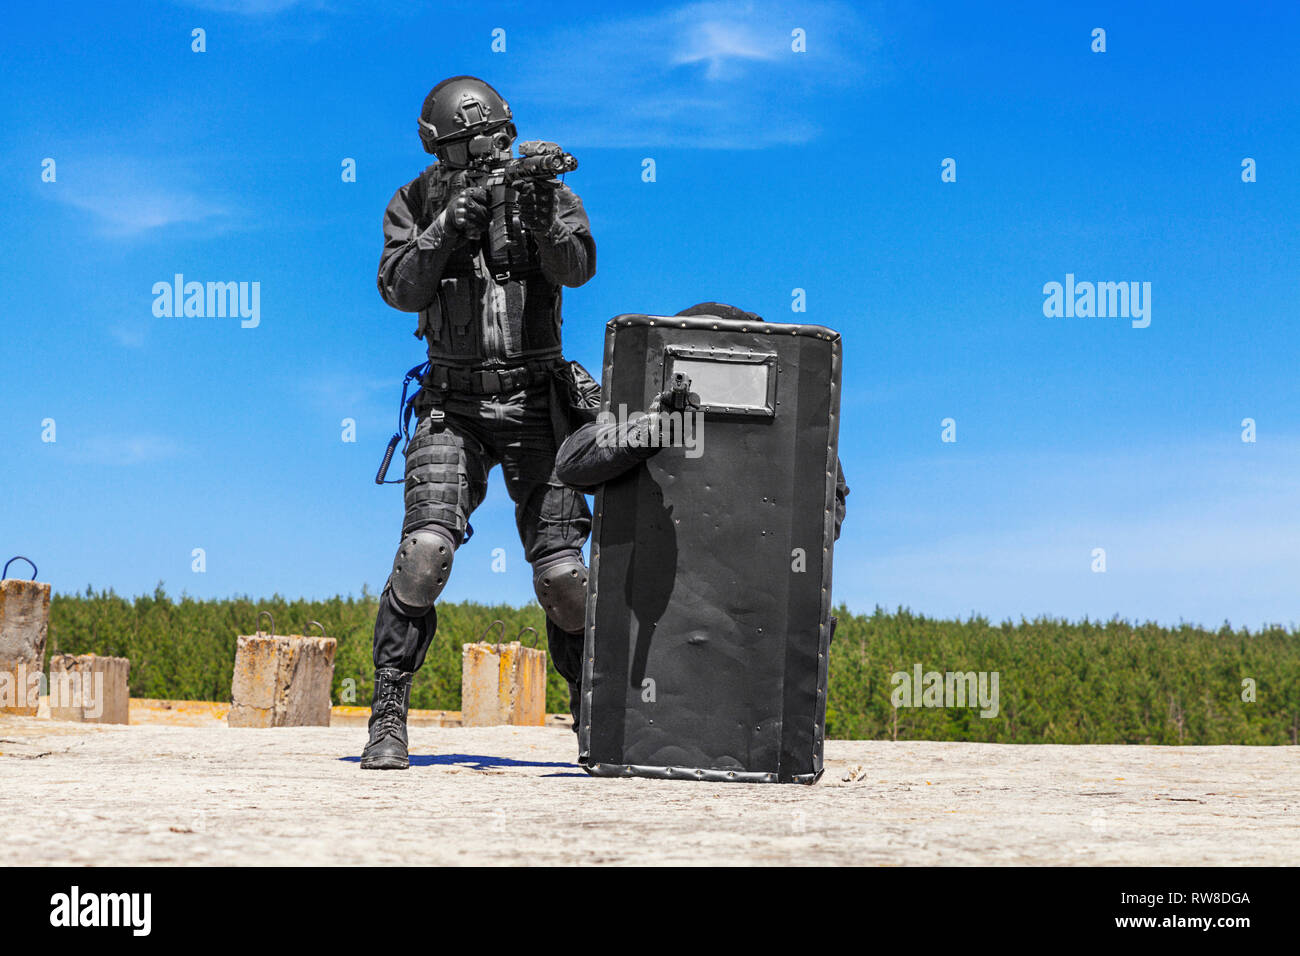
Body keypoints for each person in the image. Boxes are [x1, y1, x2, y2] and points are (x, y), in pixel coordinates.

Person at [362, 76, 597, 770]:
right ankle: (388, 715)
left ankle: (595, 708)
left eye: (491, 140)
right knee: (424, 555)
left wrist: (541, 212)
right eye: (467, 147)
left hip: (535, 401)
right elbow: (399, 288)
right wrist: (447, 226)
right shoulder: (414, 199)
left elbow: (578, 268)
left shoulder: (543, 187)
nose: (484, 154)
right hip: (451, 403)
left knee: (564, 578)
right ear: (440, 148)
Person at [555, 303, 849, 539]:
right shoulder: (639, 414)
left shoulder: (788, 431)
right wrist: (650, 433)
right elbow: (571, 463)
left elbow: (828, 515)